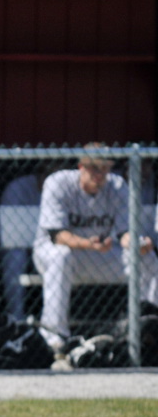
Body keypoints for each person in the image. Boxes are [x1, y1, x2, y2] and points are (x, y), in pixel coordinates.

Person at [33, 145, 158, 352]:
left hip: (100, 253)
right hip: (55, 253)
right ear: (81, 166)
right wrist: (87, 244)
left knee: (148, 259)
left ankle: (148, 325)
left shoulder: (117, 185)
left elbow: (124, 233)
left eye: (104, 168)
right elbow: (57, 236)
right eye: (94, 168)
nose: (100, 174)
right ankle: (55, 338)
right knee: (61, 256)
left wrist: (137, 244)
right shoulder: (58, 182)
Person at [0, 161, 61, 321]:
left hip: (55, 245)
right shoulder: (17, 188)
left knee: (61, 256)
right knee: (13, 257)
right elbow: (7, 231)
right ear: (39, 174)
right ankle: (16, 317)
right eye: (47, 175)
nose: (51, 181)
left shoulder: (65, 189)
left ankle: (54, 320)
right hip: (21, 246)